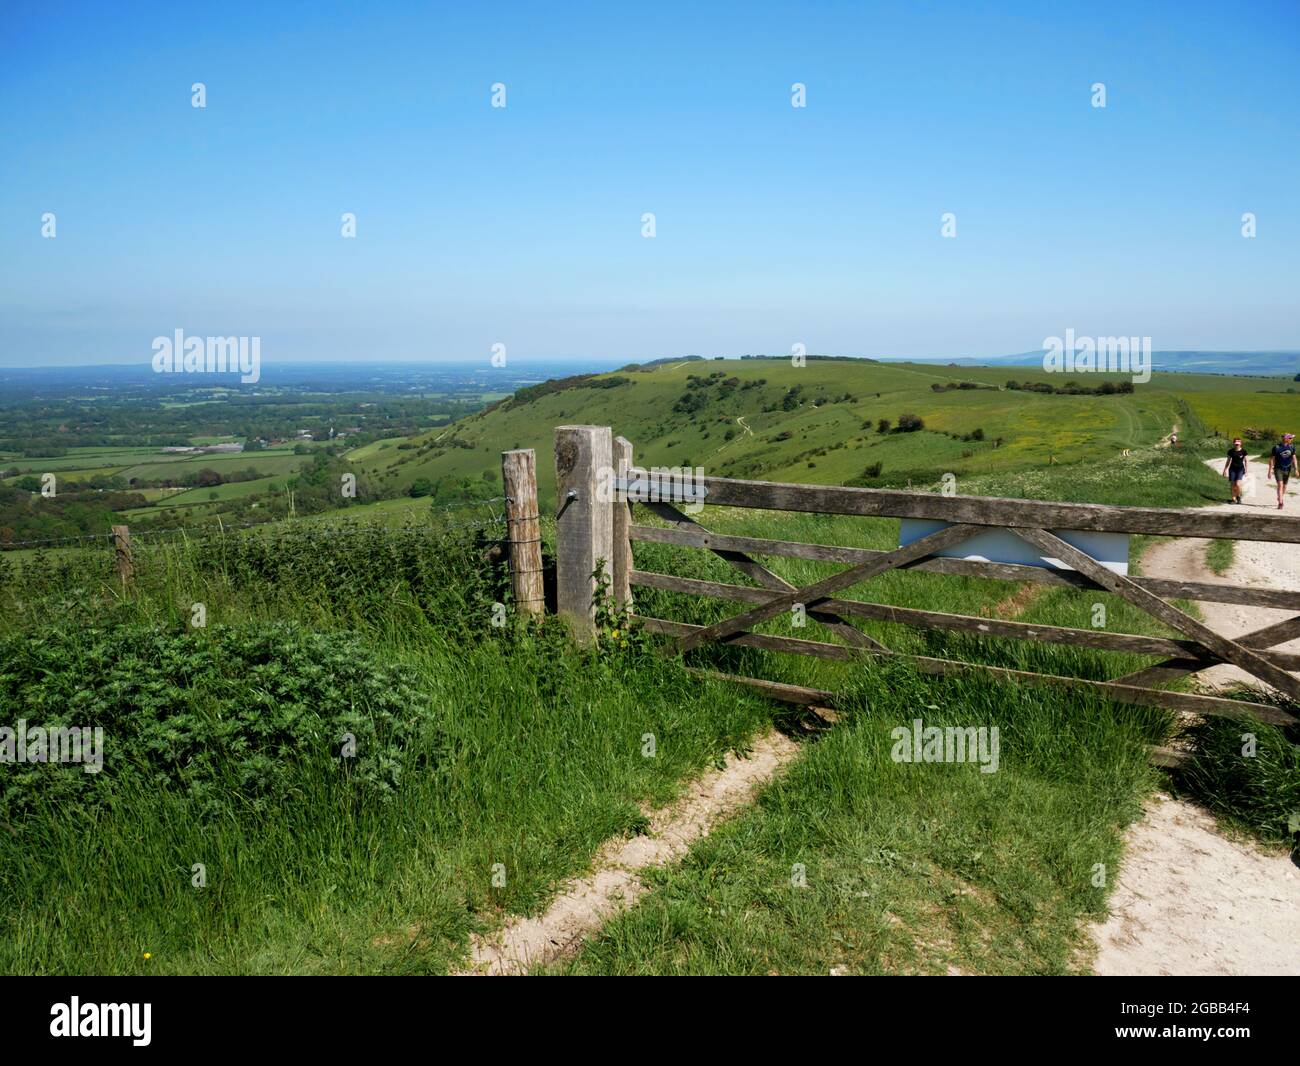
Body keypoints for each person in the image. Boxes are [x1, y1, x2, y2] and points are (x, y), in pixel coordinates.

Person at [1269, 433, 1298, 510]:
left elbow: (1294, 459)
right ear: (1286, 439)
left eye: (1291, 438)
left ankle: (1280, 496)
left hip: (1287, 469)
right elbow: (1272, 459)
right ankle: (1280, 502)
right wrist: (1269, 471)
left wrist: (1296, 469)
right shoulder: (1276, 447)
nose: (1292, 439)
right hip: (1278, 468)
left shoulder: (1292, 447)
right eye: (1290, 438)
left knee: (1285, 486)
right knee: (1280, 485)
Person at [1223, 437, 1248, 504]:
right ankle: (1233, 499)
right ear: (1234, 443)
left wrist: (1246, 470)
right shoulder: (1230, 451)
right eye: (1236, 443)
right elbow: (1228, 461)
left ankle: (1238, 496)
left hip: (1240, 469)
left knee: (1238, 484)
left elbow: (1246, 461)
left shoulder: (1243, 451)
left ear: (1241, 443)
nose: (1237, 445)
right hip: (1232, 469)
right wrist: (1225, 470)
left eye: (1238, 443)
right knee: (1233, 484)